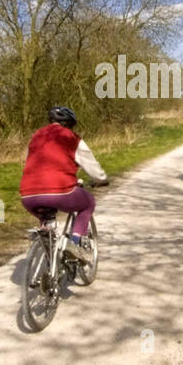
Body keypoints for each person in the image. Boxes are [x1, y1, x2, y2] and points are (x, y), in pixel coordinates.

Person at [19, 106, 109, 259]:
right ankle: (73, 244)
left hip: (28, 195)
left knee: (47, 222)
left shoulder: (35, 137)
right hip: (60, 191)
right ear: (69, 124)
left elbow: (28, 162)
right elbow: (90, 164)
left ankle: (48, 262)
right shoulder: (71, 137)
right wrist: (101, 179)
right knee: (88, 203)